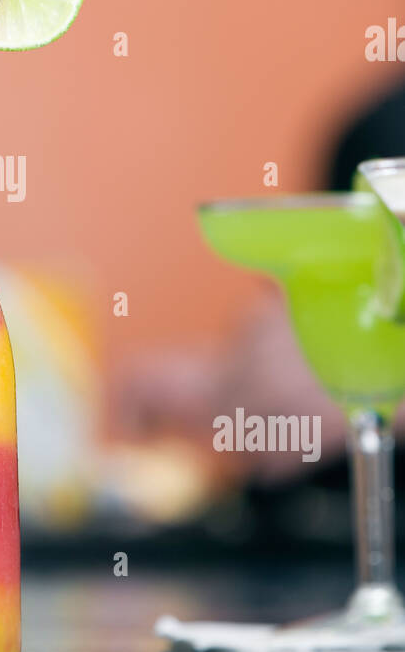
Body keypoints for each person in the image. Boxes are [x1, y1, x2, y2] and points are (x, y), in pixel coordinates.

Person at [116, 82, 405, 484]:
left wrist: (376, 389)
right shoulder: (373, 123)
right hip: (324, 516)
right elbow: (343, 286)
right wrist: (225, 381)